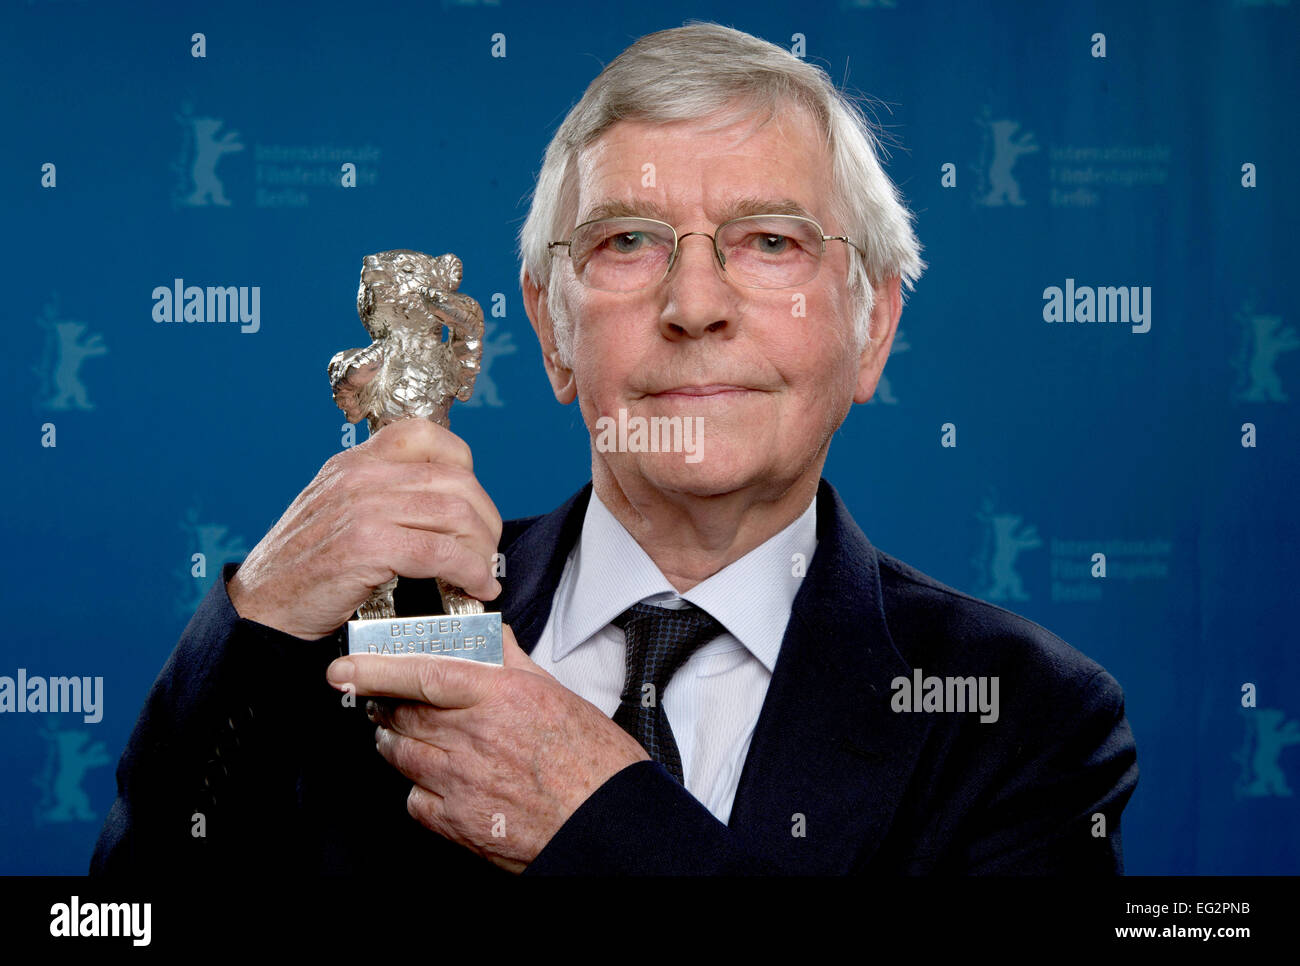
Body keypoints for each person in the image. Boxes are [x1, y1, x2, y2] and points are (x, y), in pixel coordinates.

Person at [91, 22, 1137, 876]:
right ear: (551, 332)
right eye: (627, 241)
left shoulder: (1028, 719)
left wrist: (600, 821)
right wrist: (256, 620)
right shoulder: (366, 641)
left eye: (770, 241)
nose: (694, 304)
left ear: (872, 329)